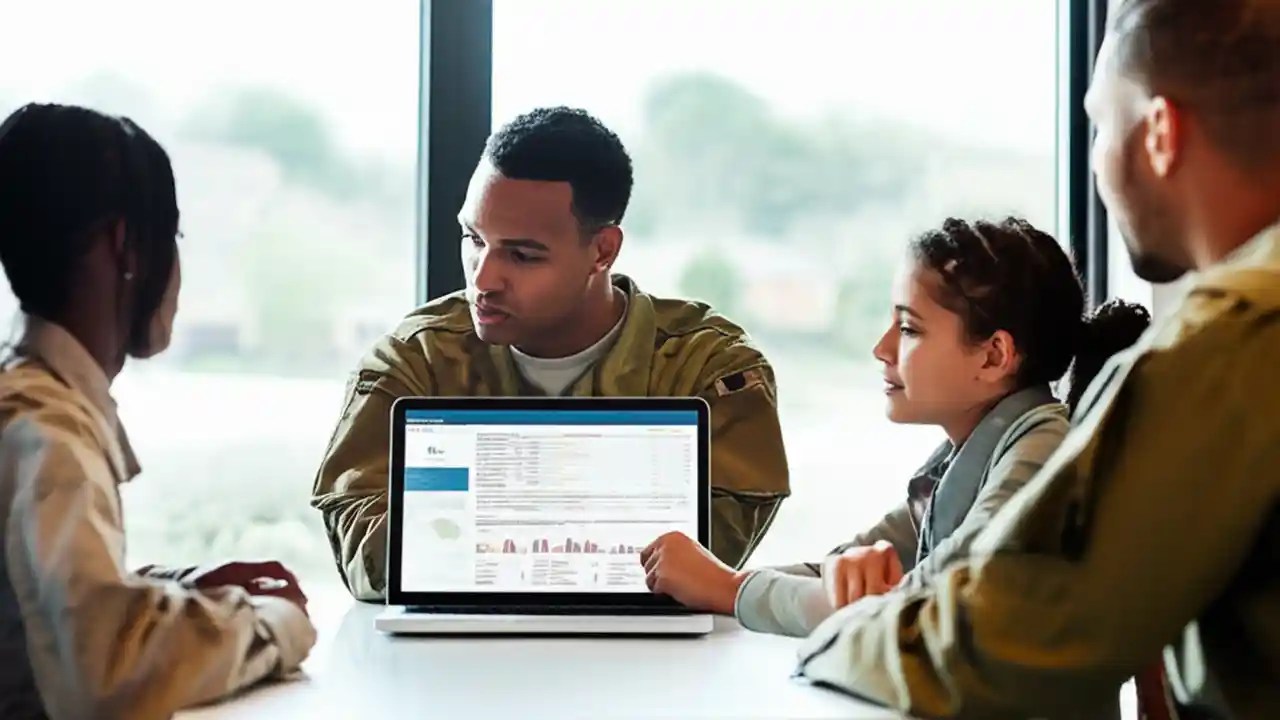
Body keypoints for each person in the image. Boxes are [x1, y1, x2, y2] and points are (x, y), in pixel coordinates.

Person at [791, 1, 1280, 717]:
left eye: (1100, 125)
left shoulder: (1226, 346)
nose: (1097, 161)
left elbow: (1007, 645)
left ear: (1160, 133)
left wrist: (842, 632)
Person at [311, 106, 789, 601]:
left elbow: (707, 563)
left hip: (639, 646)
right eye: (474, 239)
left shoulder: (710, 369)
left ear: (602, 251)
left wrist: (472, 514)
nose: (483, 279)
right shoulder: (417, 359)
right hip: (453, 645)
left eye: (522, 255)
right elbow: (367, 560)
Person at [640, 217, 1150, 638]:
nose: (882, 349)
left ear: (994, 355)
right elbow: (839, 573)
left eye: (908, 328)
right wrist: (712, 582)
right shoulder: (960, 462)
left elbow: (925, 611)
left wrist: (730, 589)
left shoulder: (1039, 452)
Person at [0, 103, 316, 719]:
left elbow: (35, 613)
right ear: (126, 245)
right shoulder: (49, 434)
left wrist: (177, 592)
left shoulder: (26, 399)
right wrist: (272, 624)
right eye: (173, 239)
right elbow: (106, 672)